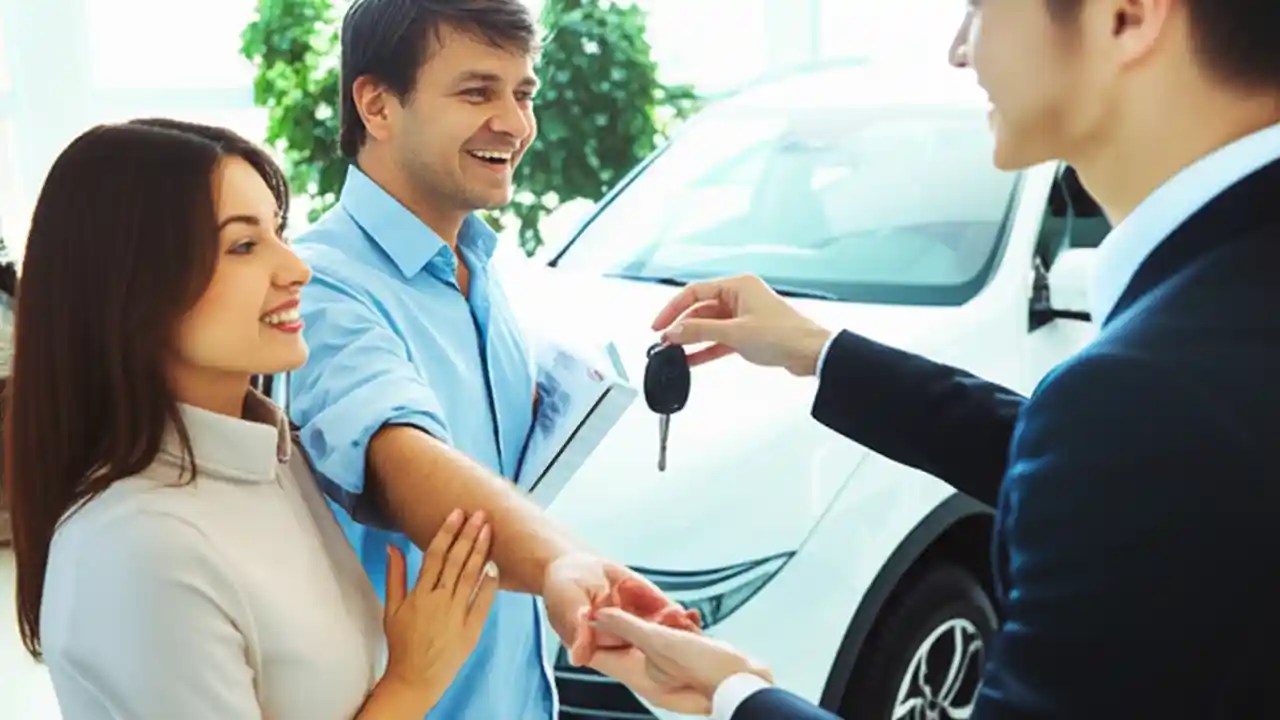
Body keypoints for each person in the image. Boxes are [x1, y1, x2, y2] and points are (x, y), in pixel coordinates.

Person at [588, 0, 1280, 718]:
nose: (959, 50)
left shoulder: (1142, 393)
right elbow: (1131, 467)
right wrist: (817, 352)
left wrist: (736, 696)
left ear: (1127, 16)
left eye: (979, 10)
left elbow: (1123, 452)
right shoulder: (1218, 336)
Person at [4, 118, 502, 720]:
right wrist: (413, 682)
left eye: (278, 231)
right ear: (134, 289)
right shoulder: (138, 546)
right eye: (243, 245)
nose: (296, 269)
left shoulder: (273, 462)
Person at [285, 1, 701, 717]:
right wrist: (566, 563)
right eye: (477, 92)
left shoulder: (480, 265)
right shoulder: (320, 285)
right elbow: (402, 458)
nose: (514, 122)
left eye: (523, 92)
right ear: (378, 105)